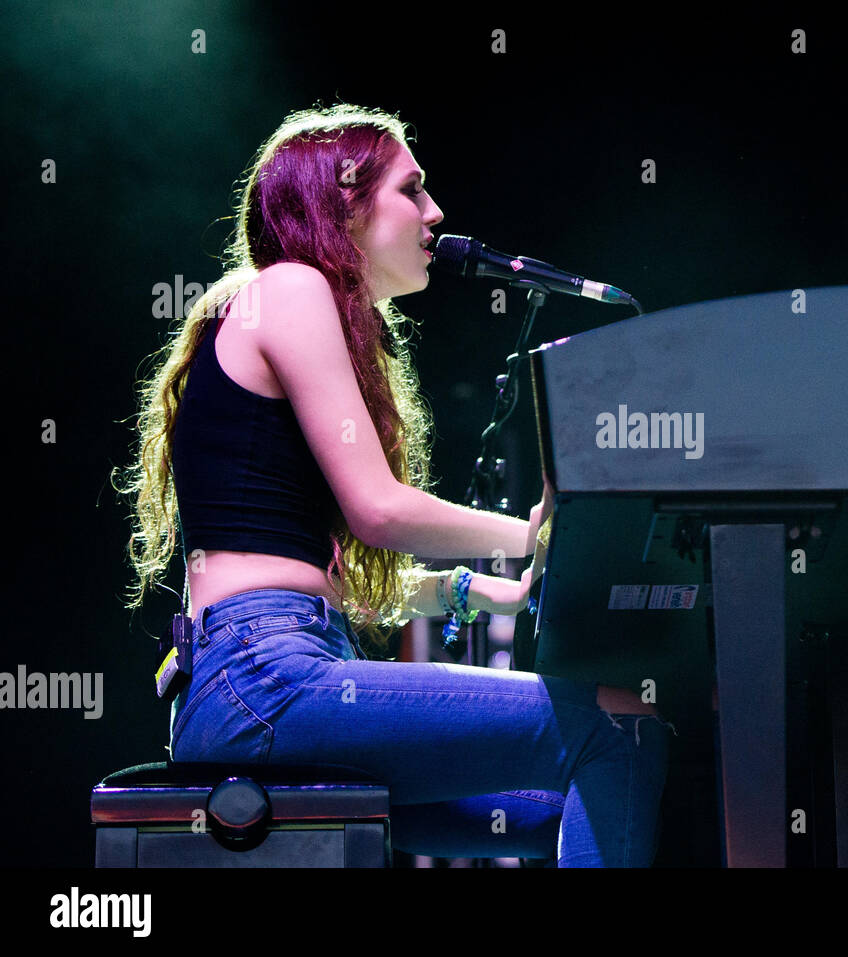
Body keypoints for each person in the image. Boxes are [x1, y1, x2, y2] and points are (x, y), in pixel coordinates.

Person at [115, 103, 676, 867]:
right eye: (411, 190)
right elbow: (377, 511)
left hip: (255, 679)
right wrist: (532, 534)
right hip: (266, 675)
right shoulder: (290, 287)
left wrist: (489, 592)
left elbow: (342, 584)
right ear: (342, 202)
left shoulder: (273, 306)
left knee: (549, 812)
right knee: (619, 728)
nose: (435, 213)